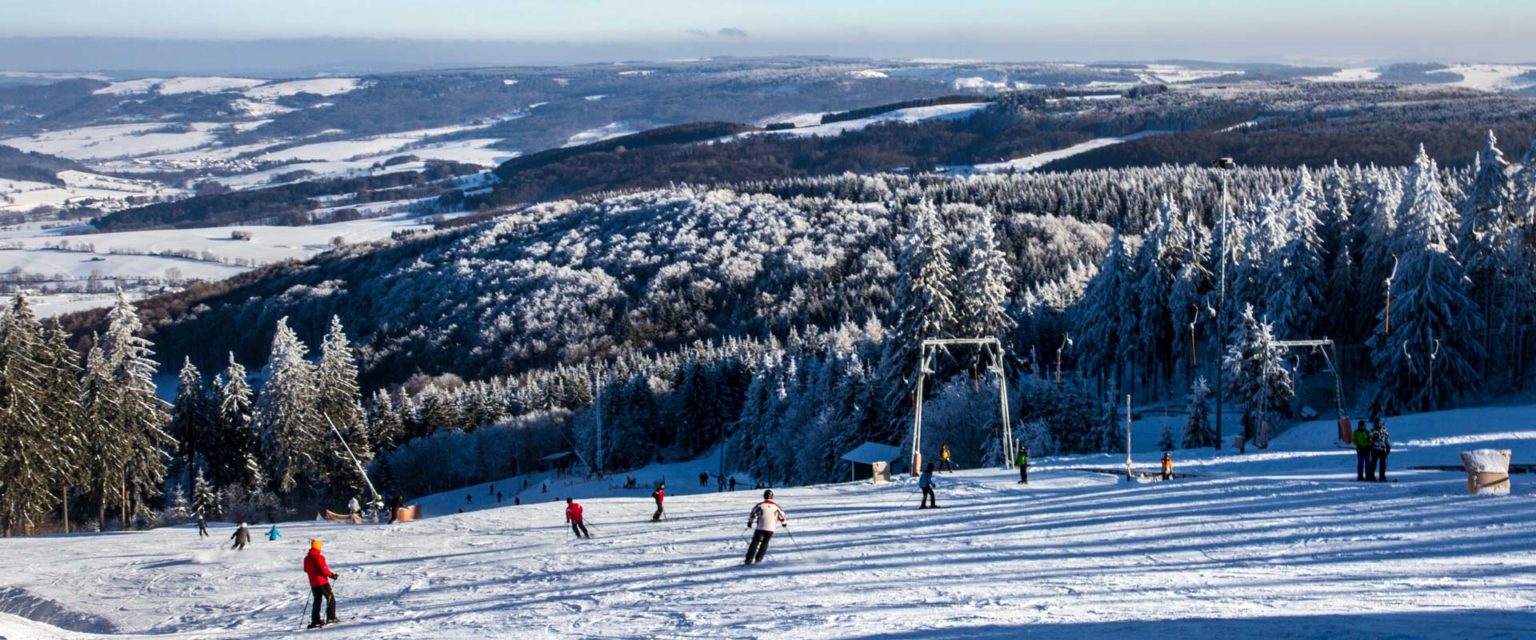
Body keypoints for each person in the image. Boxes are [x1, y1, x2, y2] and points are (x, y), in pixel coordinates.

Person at [744, 489, 787, 565]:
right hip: (770, 528)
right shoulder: (776, 506)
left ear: (764, 496)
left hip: (760, 526)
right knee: (765, 543)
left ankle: (749, 559)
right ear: (772, 497)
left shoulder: (760, 505)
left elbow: (753, 513)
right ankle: (759, 559)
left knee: (755, 542)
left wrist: (750, 522)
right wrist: (784, 523)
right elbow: (782, 515)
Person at [303, 539, 339, 629]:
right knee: (331, 599)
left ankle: (315, 620)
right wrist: (332, 575)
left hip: (313, 583)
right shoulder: (319, 557)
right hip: (322, 582)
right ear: (318, 547)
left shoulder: (307, 558)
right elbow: (323, 570)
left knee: (317, 601)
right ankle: (331, 618)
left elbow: (306, 570)